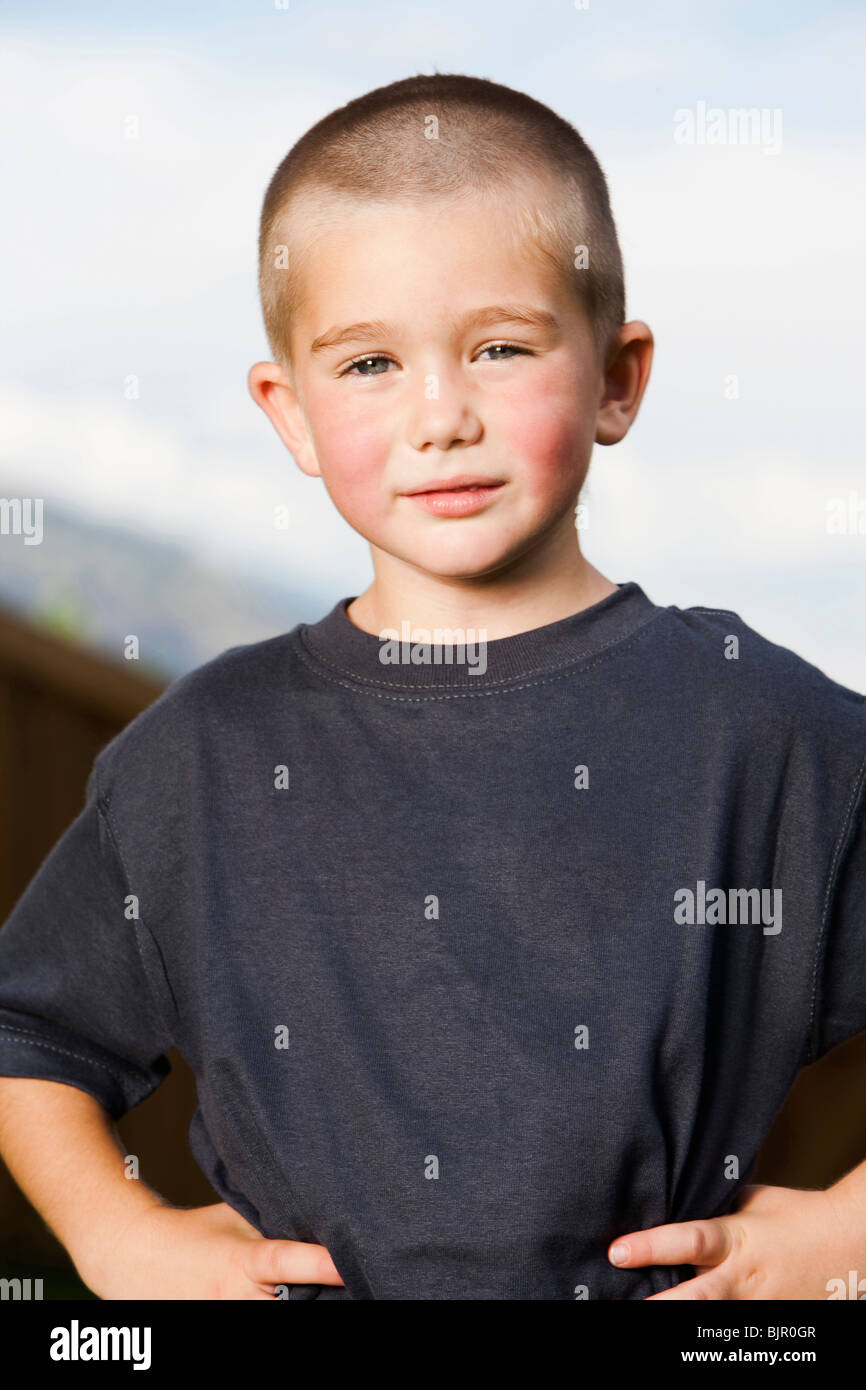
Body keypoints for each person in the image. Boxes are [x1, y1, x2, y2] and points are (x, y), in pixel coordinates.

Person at [0, 72, 864, 1301]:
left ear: (617, 377)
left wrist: (847, 1232)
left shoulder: (760, 731)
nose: (438, 415)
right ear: (288, 413)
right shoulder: (200, 753)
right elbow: (28, 1034)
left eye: (499, 348)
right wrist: (113, 1232)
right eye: (367, 365)